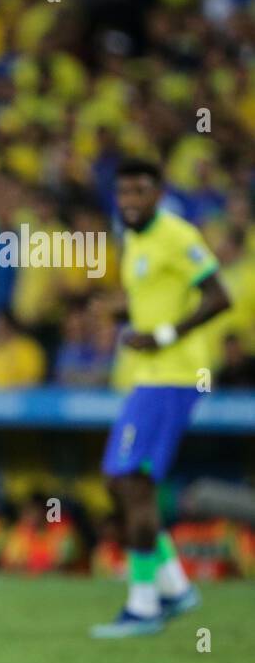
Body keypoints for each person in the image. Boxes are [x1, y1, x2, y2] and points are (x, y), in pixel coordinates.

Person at [92, 159, 231, 638]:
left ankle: (146, 604)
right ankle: (173, 586)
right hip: (147, 373)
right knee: (121, 482)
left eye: (140, 191)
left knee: (129, 480)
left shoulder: (178, 235)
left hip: (174, 374)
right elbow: (155, 297)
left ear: (159, 193)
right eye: (123, 192)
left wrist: (164, 334)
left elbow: (219, 297)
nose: (130, 201)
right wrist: (122, 312)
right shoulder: (133, 239)